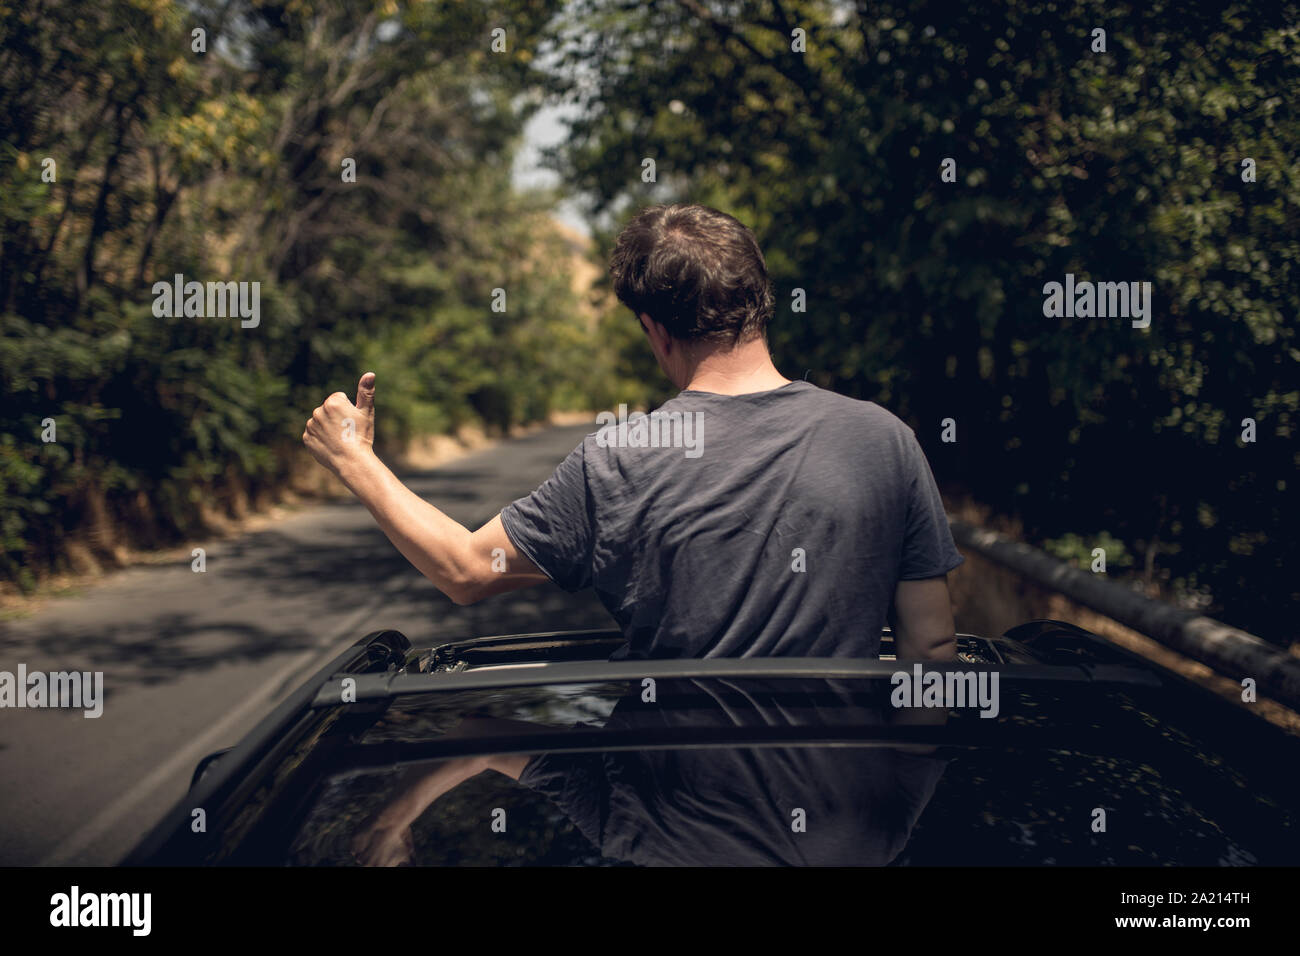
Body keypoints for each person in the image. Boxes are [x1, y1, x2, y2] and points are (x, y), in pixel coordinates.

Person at [302, 202, 963, 666]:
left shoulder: (618, 458)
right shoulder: (884, 441)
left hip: (667, 825)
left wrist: (354, 458)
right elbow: (931, 650)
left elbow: (466, 570)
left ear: (654, 328)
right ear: (762, 299)